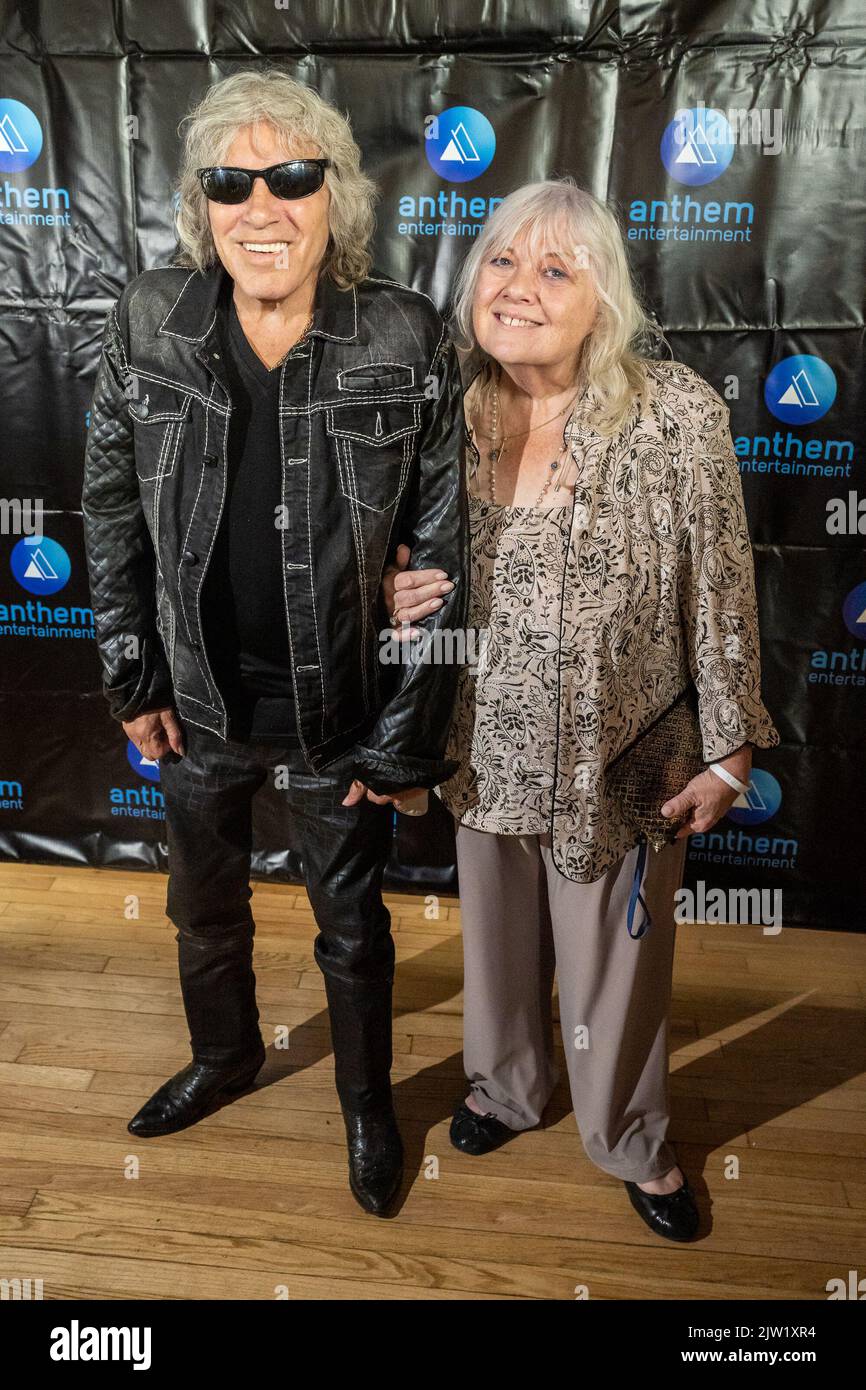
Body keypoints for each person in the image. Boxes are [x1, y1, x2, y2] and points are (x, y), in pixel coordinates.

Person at [81, 68, 468, 1216]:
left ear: (333, 196)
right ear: (201, 204)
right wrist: (129, 674)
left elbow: (443, 559)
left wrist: (398, 749)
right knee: (202, 909)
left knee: (349, 931)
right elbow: (107, 506)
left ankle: (363, 1103)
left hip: (334, 712)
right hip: (195, 703)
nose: (262, 206)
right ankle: (225, 1055)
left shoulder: (400, 331)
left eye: (291, 176)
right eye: (231, 181)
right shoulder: (151, 319)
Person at [383, 178, 779, 1241]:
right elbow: (370, 560)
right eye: (501, 263)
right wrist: (384, 593)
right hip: (476, 749)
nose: (518, 287)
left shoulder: (674, 411)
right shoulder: (438, 414)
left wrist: (729, 750)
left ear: (602, 300)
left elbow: (722, 587)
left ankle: (628, 1140)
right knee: (497, 951)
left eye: (554, 268)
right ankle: (505, 1089)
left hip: (625, 753)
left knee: (615, 968)